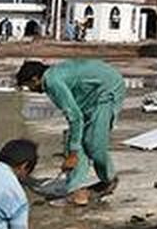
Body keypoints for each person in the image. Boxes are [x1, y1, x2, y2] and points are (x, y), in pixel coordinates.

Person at [15, 59, 125, 206]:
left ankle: (109, 179)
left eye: (28, 86)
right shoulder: (51, 77)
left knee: (93, 142)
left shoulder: (52, 82)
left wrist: (72, 155)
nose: (30, 90)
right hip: (90, 95)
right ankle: (75, 189)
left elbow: (75, 117)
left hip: (107, 89)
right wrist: (72, 149)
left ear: (35, 79)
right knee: (75, 141)